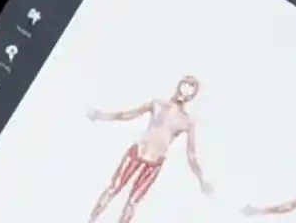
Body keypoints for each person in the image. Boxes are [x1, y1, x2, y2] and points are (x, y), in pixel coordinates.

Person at [85, 75, 213, 223]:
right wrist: (101, 115)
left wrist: (202, 181)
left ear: (192, 95)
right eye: (185, 85)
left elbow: (191, 155)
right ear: (179, 86)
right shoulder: (158, 104)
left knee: (133, 202)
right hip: (137, 153)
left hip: (154, 164)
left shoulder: (187, 121)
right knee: (113, 188)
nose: (186, 91)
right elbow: (127, 115)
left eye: (191, 89)